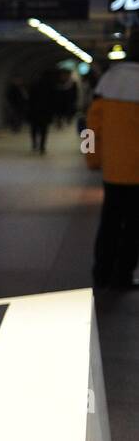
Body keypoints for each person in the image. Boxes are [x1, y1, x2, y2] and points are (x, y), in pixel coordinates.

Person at [85, 27, 139, 293]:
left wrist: (92, 159)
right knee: (133, 229)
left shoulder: (109, 80)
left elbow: (90, 127)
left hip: (114, 171)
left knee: (110, 222)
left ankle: (101, 272)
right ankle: (123, 276)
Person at [27, 68, 56, 155]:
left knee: (34, 128)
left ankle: (34, 143)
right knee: (44, 129)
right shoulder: (51, 85)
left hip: (34, 110)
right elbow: (53, 100)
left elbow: (30, 98)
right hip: (46, 111)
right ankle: (42, 146)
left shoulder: (34, 84)